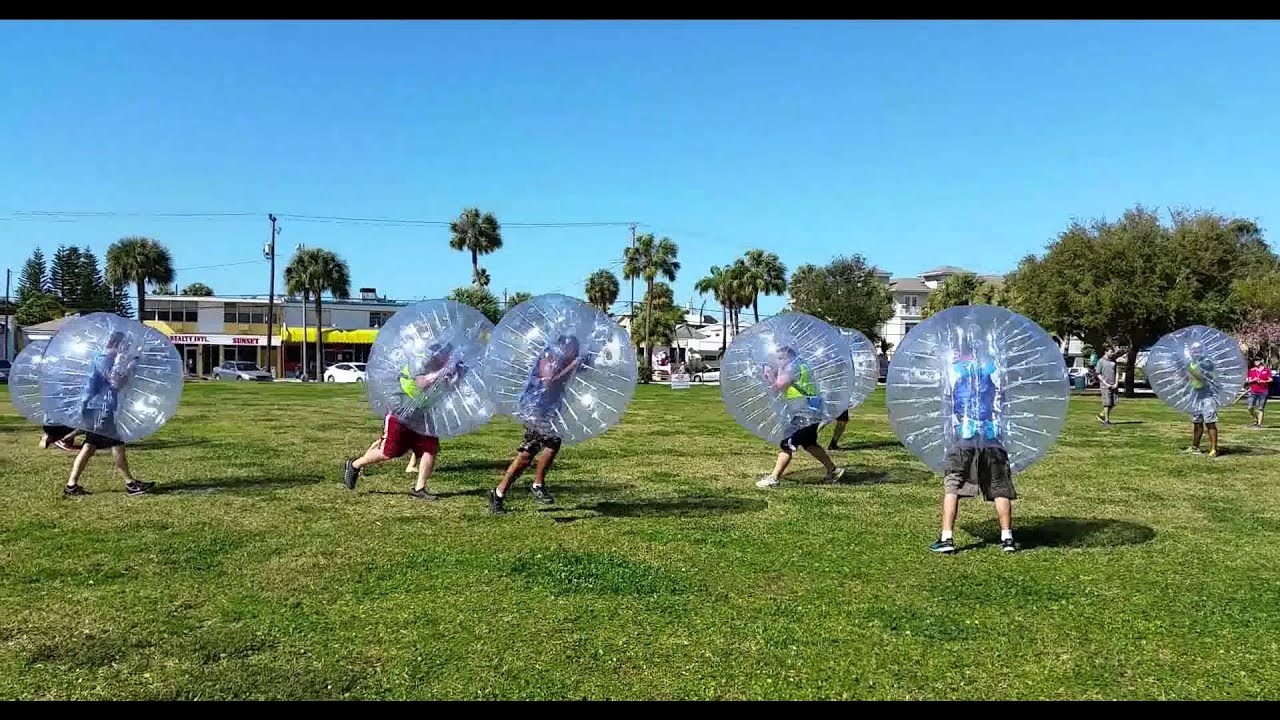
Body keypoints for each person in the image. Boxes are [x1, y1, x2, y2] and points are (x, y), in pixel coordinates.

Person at [930, 332, 1016, 554]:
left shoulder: (953, 370)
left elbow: (945, 398)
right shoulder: (994, 370)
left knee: (953, 485)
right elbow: (1003, 399)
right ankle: (1007, 539)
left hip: (962, 435)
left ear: (961, 350)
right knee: (999, 487)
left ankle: (947, 538)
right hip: (992, 436)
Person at [342, 342, 459, 500]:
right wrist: (441, 373)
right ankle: (355, 465)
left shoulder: (441, 368)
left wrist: (453, 380)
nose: (448, 358)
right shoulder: (419, 360)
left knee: (430, 449)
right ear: (438, 353)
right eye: (446, 355)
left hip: (422, 415)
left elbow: (441, 392)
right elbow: (421, 383)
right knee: (389, 452)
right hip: (401, 412)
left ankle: (420, 488)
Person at [489, 336, 583, 515]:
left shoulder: (563, 362)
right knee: (544, 446)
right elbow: (548, 382)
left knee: (532, 453)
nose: (575, 352)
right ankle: (535, 485)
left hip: (548, 410)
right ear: (563, 348)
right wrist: (572, 367)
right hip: (534, 409)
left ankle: (499, 493)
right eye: (573, 349)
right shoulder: (547, 360)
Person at [64, 330, 153, 497]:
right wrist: (128, 366)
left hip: (97, 407)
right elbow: (115, 383)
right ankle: (130, 484)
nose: (125, 350)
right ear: (114, 344)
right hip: (100, 408)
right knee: (116, 444)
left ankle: (71, 485)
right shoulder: (105, 360)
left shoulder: (104, 359)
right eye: (123, 346)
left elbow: (114, 384)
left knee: (89, 447)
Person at [756, 346, 844, 488]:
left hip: (804, 413)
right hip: (810, 411)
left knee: (787, 443)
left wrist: (769, 376)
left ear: (790, 356)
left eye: (781, 358)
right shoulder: (802, 365)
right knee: (809, 444)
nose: (778, 362)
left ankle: (774, 478)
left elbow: (777, 386)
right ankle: (833, 470)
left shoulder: (792, 368)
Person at [1182, 341, 1221, 457]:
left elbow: (1203, 377)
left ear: (1202, 350)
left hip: (1208, 396)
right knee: (1197, 423)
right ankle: (1195, 447)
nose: (1195, 352)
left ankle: (1214, 449)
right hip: (1196, 395)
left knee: (1210, 422)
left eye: (1198, 349)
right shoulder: (1191, 363)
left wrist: (1191, 371)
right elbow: (1190, 379)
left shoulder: (1206, 362)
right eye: (1193, 350)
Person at [1095, 348, 1121, 425]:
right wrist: (1105, 383)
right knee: (1107, 403)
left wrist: (1116, 383)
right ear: (1106, 352)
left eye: (1113, 352)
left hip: (1114, 385)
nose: (1112, 353)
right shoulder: (1101, 361)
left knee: (1114, 402)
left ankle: (1101, 415)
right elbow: (1098, 374)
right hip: (1105, 385)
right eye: (1111, 352)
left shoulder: (1114, 361)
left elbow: (1117, 373)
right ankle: (1106, 420)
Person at [1245, 357, 1272, 428]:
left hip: (1263, 391)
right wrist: (1253, 379)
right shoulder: (1251, 370)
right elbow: (1248, 380)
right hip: (1253, 391)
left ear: (1261, 361)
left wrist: (1264, 381)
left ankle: (1259, 424)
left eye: (1257, 360)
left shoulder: (1266, 370)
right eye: (1254, 361)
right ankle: (1255, 418)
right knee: (1250, 407)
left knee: (1261, 408)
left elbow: (1270, 379)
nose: (1255, 362)